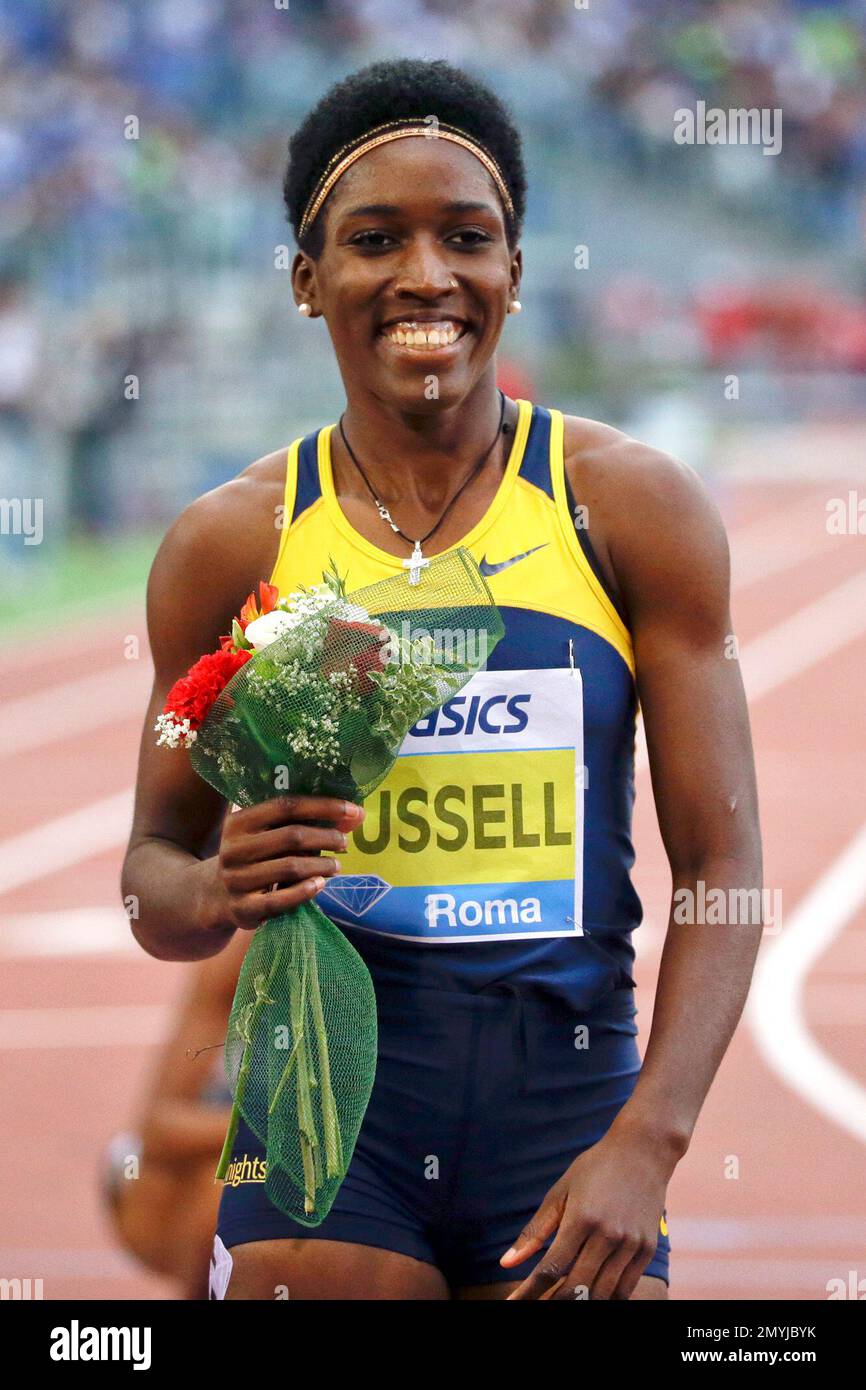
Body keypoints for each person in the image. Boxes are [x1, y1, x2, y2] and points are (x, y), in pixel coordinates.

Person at [122, 58, 763, 1301]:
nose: (426, 276)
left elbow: (724, 871)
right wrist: (215, 882)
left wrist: (649, 1140)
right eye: (374, 241)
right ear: (308, 281)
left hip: (564, 1111)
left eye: (466, 238)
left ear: (513, 270)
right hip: (322, 1119)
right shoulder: (230, 540)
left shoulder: (626, 508)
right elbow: (151, 881)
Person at [102, 931, 248, 1298]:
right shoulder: (242, 954)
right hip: (195, 1176)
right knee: (223, 1198)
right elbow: (160, 1126)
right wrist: (278, 1135)